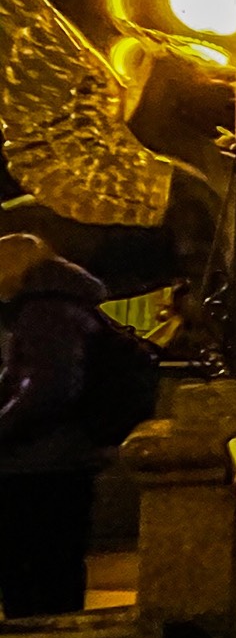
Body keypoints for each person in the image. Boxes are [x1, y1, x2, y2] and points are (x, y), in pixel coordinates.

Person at [0, 234, 145, 617]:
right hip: (65, 457)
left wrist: (4, 426)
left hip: (38, 462)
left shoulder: (43, 311)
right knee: (58, 560)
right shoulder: (70, 306)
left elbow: (49, 387)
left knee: (32, 567)